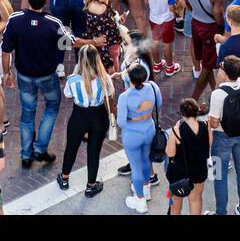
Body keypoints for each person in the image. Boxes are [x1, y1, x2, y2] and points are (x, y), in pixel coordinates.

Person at [1, 0, 70, 169]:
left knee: (27, 114)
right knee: (51, 107)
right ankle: (40, 149)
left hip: (24, 74)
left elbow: (6, 50)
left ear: (28, 0)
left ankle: (25, 155)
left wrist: (7, 72)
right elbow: (67, 42)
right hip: (47, 75)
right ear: (45, 1)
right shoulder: (53, 23)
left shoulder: (15, 19)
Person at [57, 43, 114, 197]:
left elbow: (68, 95)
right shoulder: (105, 79)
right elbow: (110, 94)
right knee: (94, 152)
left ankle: (64, 178)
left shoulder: (72, 80)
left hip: (79, 117)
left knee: (71, 147)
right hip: (99, 117)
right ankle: (90, 186)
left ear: (80, 60)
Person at [208, 53, 240, 215]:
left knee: (218, 174)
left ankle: (220, 212)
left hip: (221, 138)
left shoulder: (218, 94)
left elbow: (214, 123)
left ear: (224, 73)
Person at [115, 61, 162, 214]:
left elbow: (121, 122)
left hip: (132, 134)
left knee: (136, 166)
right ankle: (146, 189)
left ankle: (140, 200)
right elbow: (159, 103)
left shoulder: (124, 96)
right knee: (146, 159)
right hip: (149, 129)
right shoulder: (153, 87)